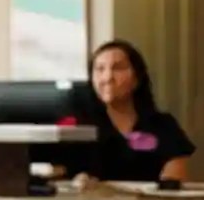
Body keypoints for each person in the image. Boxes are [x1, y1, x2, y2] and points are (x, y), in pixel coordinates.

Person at [64, 40, 195, 184]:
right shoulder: (78, 128)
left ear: (137, 78)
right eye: (100, 69)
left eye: (118, 68)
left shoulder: (162, 125)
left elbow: (175, 175)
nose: (107, 78)